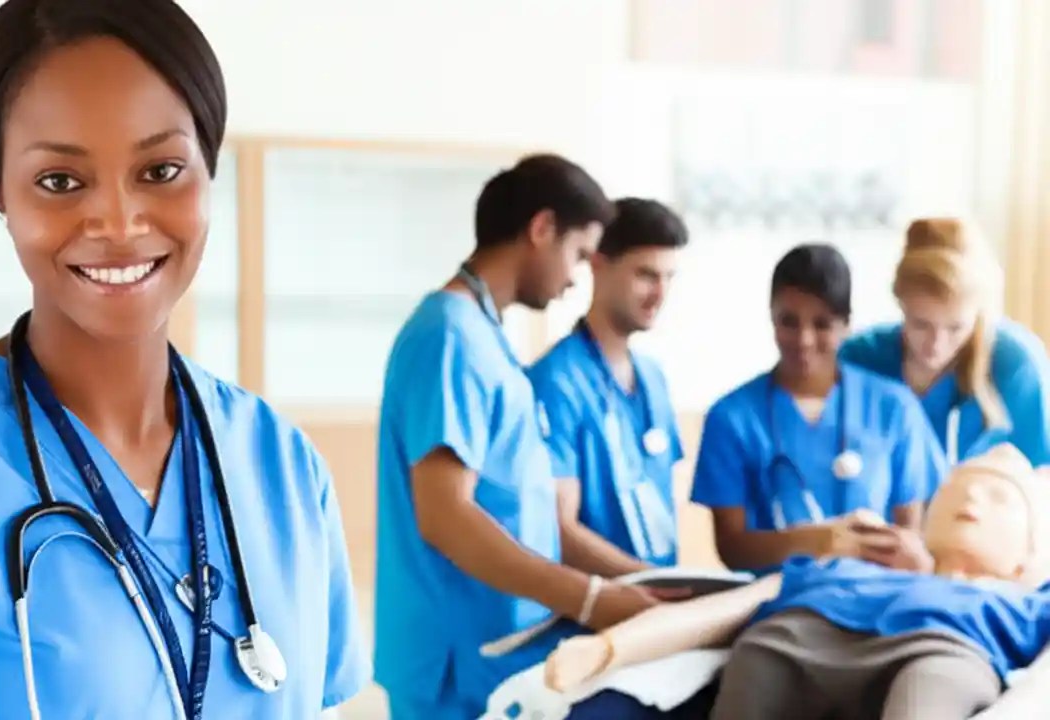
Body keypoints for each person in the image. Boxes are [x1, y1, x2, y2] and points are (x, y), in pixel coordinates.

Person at [0, 2, 368, 718]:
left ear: (210, 169)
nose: (118, 223)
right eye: (60, 180)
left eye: (162, 169)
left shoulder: (281, 463)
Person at [374, 156, 691, 720]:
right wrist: (589, 598)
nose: (574, 276)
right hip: (457, 665)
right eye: (576, 254)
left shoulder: (484, 337)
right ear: (541, 230)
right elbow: (445, 515)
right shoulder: (450, 335)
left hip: (501, 650)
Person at [545, 443, 1050, 720]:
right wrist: (608, 648)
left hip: (942, 652)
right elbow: (718, 612)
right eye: (957, 490)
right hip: (792, 641)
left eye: (999, 499)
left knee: (936, 685)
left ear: (1028, 556)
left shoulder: (1025, 604)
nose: (973, 502)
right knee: (760, 660)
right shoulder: (835, 570)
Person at [691, 243, 946, 575]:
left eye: (822, 324)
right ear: (771, 317)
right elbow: (732, 548)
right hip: (778, 606)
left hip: (876, 599)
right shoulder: (732, 418)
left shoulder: (893, 408)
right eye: (789, 321)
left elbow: (909, 534)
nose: (804, 339)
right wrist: (813, 540)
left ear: (847, 326)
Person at [528, 198, 689, 573]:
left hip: (656, 607)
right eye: (646, 275)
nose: (660, 294)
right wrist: (651, 585)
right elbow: (559, 531)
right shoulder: (556, 382)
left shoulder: (653, 378)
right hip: (592, 613)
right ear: (597, 263)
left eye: (669, 278)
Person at [840, 217, 1050, 468]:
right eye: (921, 324)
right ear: (901, 304)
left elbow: (1041, 473)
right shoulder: (860, 359)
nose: (936, 344)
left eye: (956, 328)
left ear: (977, 314)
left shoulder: (1015, 363)